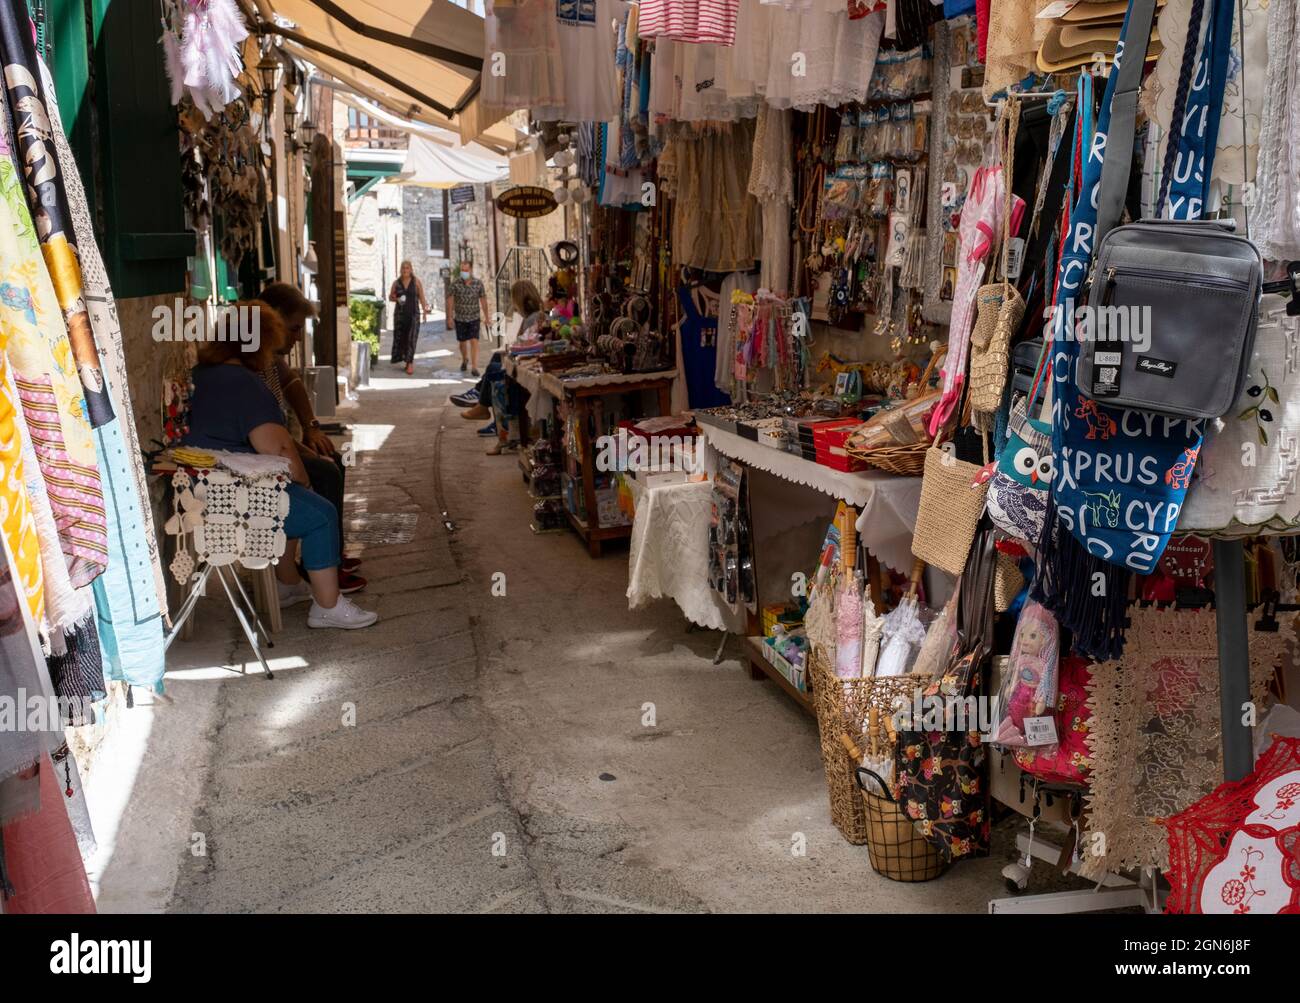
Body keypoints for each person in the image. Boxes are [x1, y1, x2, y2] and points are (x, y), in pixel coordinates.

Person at [182, 302, 377, 630]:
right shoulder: (244, 383)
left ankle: (288, 585)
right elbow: (277, 446)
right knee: (319, 513)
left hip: (196, 488)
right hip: (231, 494)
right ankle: (328, 606)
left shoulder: (201, 374)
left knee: (298, 501)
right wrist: (303, 480)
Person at [258, 282, 364, 593]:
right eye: (292, 329)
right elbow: (263, 427)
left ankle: (331, 555)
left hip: (276, 444)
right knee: (325, 471)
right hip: (262, 453)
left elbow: (291, 384)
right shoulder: (251, 360)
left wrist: (311, 427)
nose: (295, 338)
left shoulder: (271, 357)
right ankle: (325, 565)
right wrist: (297, 451)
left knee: (333, 460)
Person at [445, 257, 489, 376]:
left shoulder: (478, 284)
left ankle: (474, 367)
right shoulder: (455, 284)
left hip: (474, 317)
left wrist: (487, 317)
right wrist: (449, 317)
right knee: (462, 342)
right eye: (462, 270)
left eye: (466, 270)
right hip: (460, 318)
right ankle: (465, 359)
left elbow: (483, 300)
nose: (464, 272)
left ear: (471, 270)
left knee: (474, 341)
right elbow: (450, 300)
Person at [389, 261, 429, 375]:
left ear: (411, 269)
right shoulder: (396, 283)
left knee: (412, 338)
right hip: (400, 316)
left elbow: (422, 297)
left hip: (413, 314)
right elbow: (391, 296)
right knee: (402, 338)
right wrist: (396, 298)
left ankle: (410, 363)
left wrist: (425, 311)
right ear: (400, 270)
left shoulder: (416, 282)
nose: (405, 270)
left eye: (407, 268)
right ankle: (406, 360)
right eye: (403, 268)